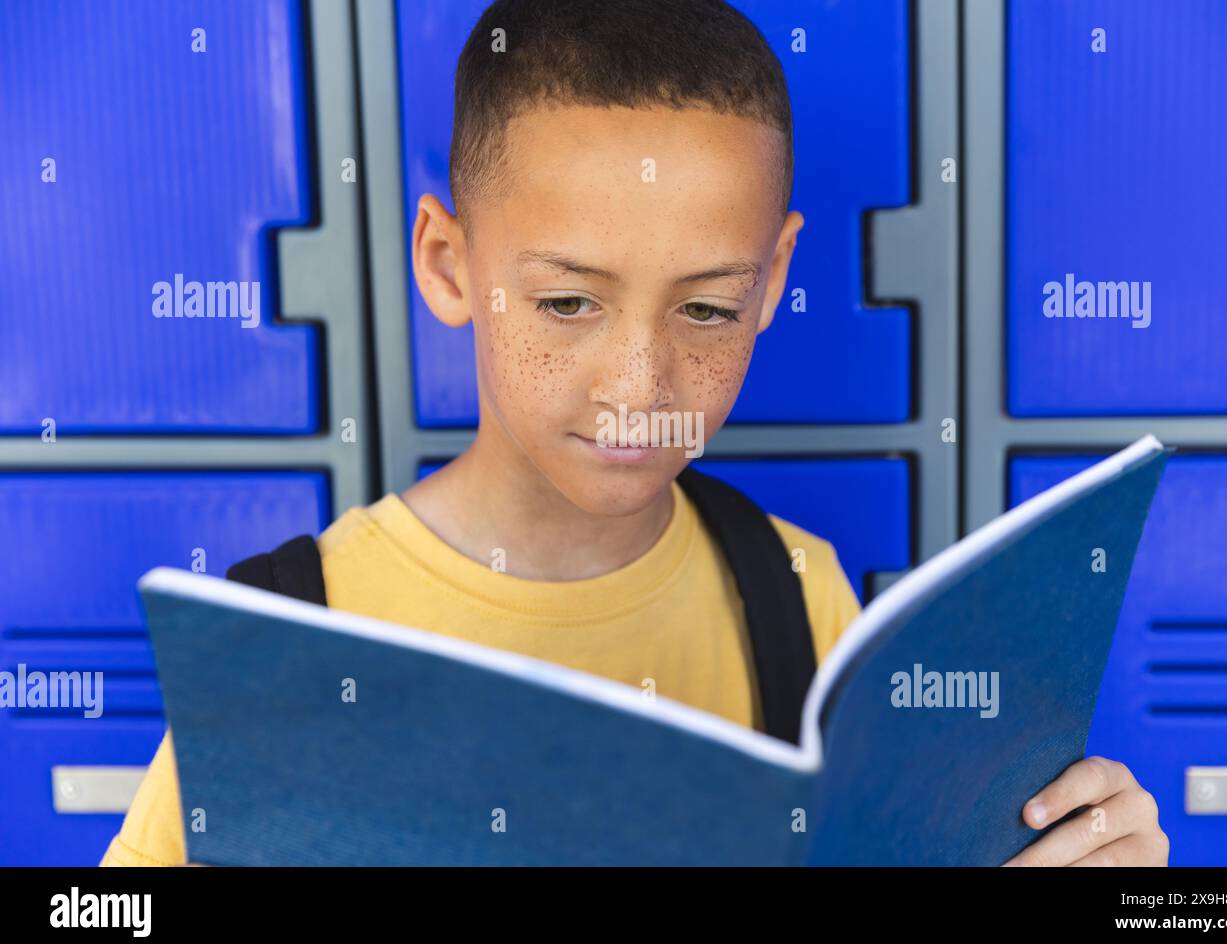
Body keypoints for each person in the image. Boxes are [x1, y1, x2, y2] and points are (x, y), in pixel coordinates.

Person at [102, 0, 1166, 867]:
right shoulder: (280, 633)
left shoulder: (800, 592)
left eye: (706, 308)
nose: (640, 383)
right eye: (568, 304)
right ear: (445, 263)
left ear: (772, 283)